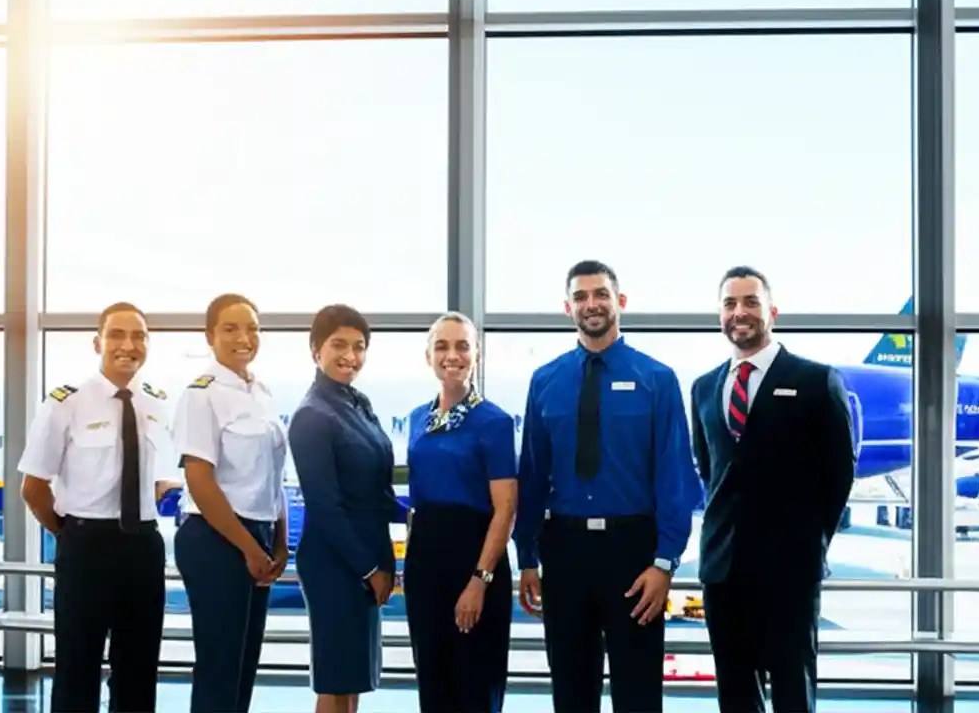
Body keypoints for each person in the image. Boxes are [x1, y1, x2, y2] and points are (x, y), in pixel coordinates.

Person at [513, 260, 700, 713]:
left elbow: (674, 476)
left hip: (633, 552)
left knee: (637, 692)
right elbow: (533, 474)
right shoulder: (546, 381)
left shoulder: (657, 379)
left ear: (620, 302)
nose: (591, 304)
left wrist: (665, 562)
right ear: (567, 307)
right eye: (580, 297)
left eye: (600, 294)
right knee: (571, 691)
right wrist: (528, 558)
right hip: (565, 549)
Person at [690, 266, 856, 713]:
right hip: (723, 571)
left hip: (791, 570)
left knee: (791, 691)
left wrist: (807, 540)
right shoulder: (704, 388)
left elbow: (839, 476)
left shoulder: (817, 381)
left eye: (750, 302)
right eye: (729, 304)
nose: (739, 312)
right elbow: (712, 470)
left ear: (773, 312)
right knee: (736, 693)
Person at [18, 301, 177, 713]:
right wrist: (68, 533)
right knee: (77, 666)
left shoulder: (157, 402)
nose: (129, 345)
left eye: (139, 336)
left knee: (139, 669)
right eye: (117, 335)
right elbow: (33, 486)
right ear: (97, 343)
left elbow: (162, 473)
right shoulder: (66, 403)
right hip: (86, 544)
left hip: (143, 545)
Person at [172, 293, 290, 712]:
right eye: (231, 328)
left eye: (252, 328)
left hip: (256, 535)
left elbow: (273, 476)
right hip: (215, 537)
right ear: (209, 336)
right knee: (219, 666)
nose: (244, 337)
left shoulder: (262, 392)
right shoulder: (200, 394)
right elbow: (200, 482)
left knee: (243, 665)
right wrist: (249, 547)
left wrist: (279, 543)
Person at [287, 304, 404, 713]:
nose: (350, 356)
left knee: (352, 677)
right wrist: (369, 569)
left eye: (359, 346)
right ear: (315, 348)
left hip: (364, 555)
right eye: (339, 344)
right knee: (336, 680)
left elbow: (376, 490)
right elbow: (325, 506)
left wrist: (418, 518)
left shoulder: (358, 403)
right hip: (334, 563)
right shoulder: (311, 415)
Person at [403, 312, 517, 713]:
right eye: (442, 346)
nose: (452, 355)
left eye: (462, 346)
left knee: (475, 687)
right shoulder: (418, 419)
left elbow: (505, 509)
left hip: (475, 560)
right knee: (433, 685)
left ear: (477, 355)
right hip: (425, 563)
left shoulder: (495, 422)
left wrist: (479, 580)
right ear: (428, 356)